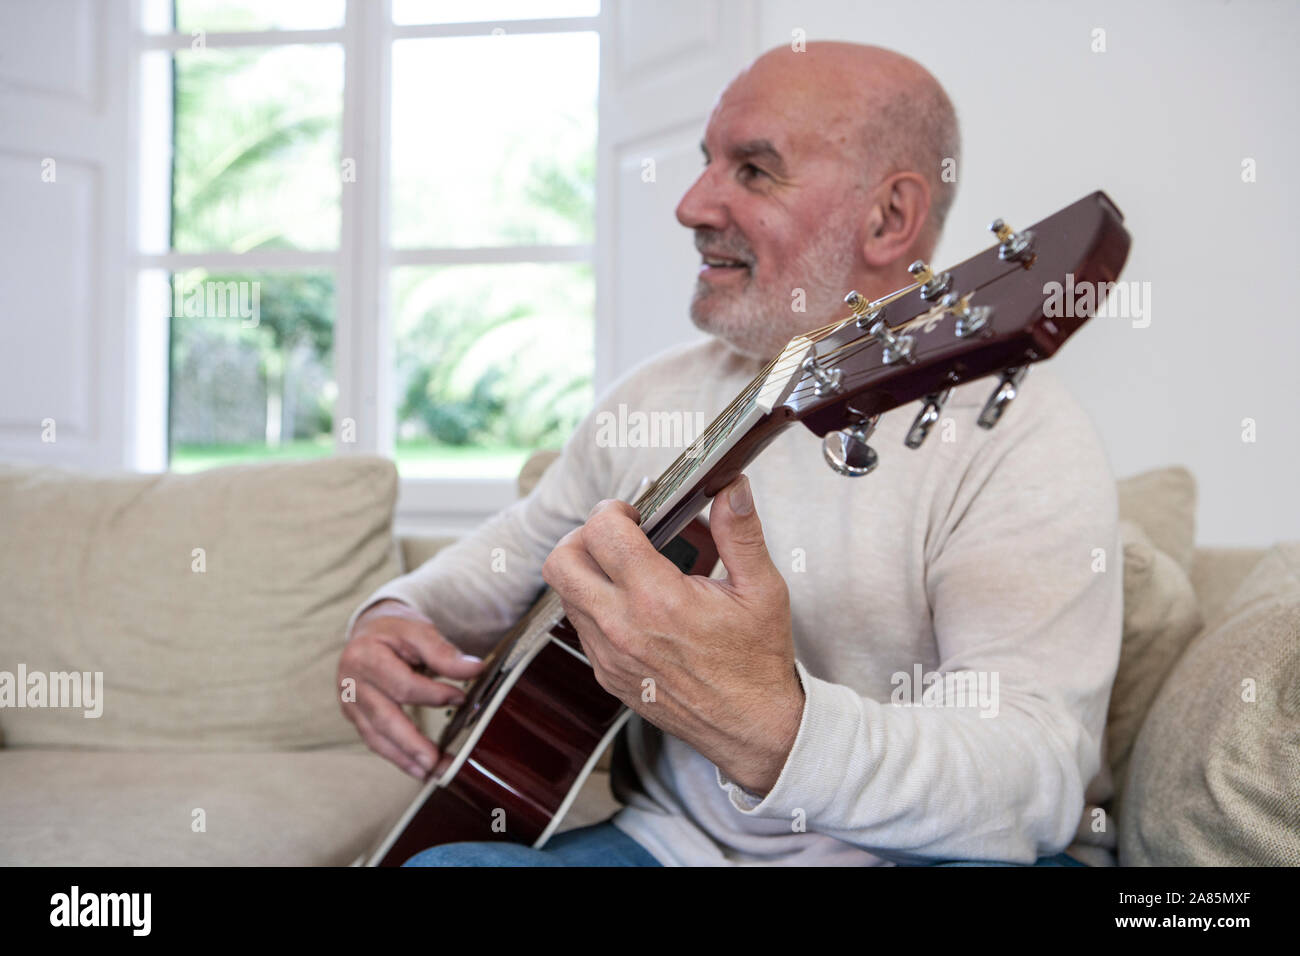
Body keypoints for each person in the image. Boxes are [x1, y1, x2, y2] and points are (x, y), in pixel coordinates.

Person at [337, 41, 1121, 867]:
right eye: (706, 162)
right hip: (672, 849)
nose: (690, 205)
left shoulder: (1023, 438)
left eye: (753, 170)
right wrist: (394, 614)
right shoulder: (654, 396)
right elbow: (520, 549)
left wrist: (776, 732)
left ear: (890, 217)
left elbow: (1029, 776)